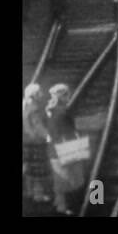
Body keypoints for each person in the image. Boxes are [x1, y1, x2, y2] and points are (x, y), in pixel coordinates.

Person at [45, 84, 85, 216]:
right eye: (67, 95)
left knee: (59, 178)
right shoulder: (64, 112)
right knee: (68, 178)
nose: (69, 97)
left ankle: (58, 203)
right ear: (63, 97)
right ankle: (64, 207)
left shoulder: (49, 110)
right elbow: (70, 132)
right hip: (64, 149)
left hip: (52, 149)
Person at [22, 83, 52, 206]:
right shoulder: (34, 109)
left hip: (27, 141)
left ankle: (29, 192)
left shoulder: (26, 106)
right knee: (38, 169)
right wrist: (48, 136)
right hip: (36, 142)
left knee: (29, 168)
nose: (42, 94)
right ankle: (38, 196)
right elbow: (38, 125)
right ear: (34, 95)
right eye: (39, 93)